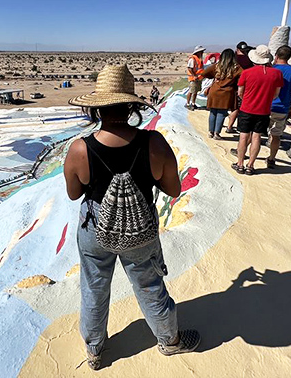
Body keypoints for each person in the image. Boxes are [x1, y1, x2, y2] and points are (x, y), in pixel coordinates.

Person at [64, 64, 201, 370]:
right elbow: (173, 188)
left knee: (94, 287)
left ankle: (95, 351)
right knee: (149, 285)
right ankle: (170, 341)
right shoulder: (154, 143)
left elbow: (74, 194)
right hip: (140, 230)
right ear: (130, 106)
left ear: (97, 108)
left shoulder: (79, 149)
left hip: (94, 229)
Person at [232, 45, 283, 175]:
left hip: (247, 108)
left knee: (243, 137)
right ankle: (250, 165)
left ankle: (240, 164)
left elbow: (240, 92)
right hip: (264, 110)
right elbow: (276, 94)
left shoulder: (247, 72)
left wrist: (248, 99)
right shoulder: (277, 73)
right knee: (257, 137)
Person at [266, 46, 291, 168]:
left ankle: (246, 155)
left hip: (265, 106)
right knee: (276, 135)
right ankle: (271, 159)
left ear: (276, 56)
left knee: (255, 132)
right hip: (282, 107)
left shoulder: (270, 69)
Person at [202, 48, 242, 140]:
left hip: (214, 91)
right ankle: (217, 133)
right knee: (221, 113)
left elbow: (204, 73)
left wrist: (214, 77)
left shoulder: (217, 66)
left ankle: (210, 132)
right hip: (226, 93)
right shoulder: (237, 68)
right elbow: (243, 77)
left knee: (213, 112)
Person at [225, 42, 255, 132]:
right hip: (243, 86)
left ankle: (225, 127)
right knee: (238, 108)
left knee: (231, 107)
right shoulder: (249, 59)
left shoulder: (232, 58)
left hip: (229, 85)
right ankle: (231, 127)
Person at [185, 45, 206, 110]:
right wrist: (194, 76)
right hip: (193, 79)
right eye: (201, 51)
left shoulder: (199, 59)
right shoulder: (192, 59)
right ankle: (188, 104)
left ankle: (193, 103)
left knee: (195, 91)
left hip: (198, 78)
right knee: (191, 91)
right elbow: (190, 68)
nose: (202, 53)